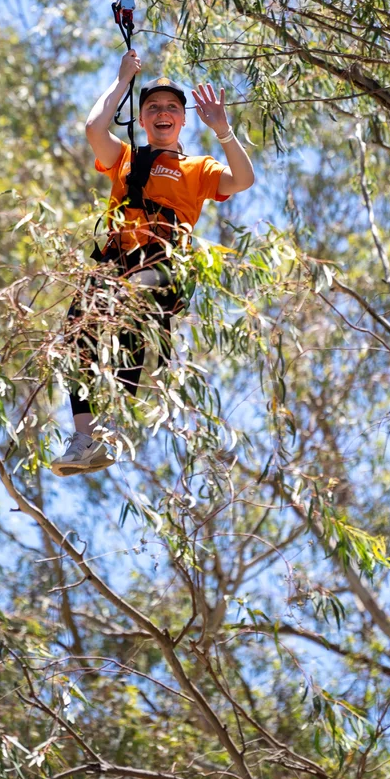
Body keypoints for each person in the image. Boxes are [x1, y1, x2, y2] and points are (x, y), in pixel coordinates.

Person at [51, 49, 255, 476]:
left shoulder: (198, 167)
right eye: (153, 108)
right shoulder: (127, 159)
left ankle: (113, 421)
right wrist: (123, 80)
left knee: (135, 306)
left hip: (160, 262)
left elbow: (243, 179)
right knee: (75, 338)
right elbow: (93, 127)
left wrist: (223, 131)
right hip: (113, 261)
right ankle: (85, 437)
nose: (163, 113)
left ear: (182, 120)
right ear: (142, 120)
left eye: (172, 108)